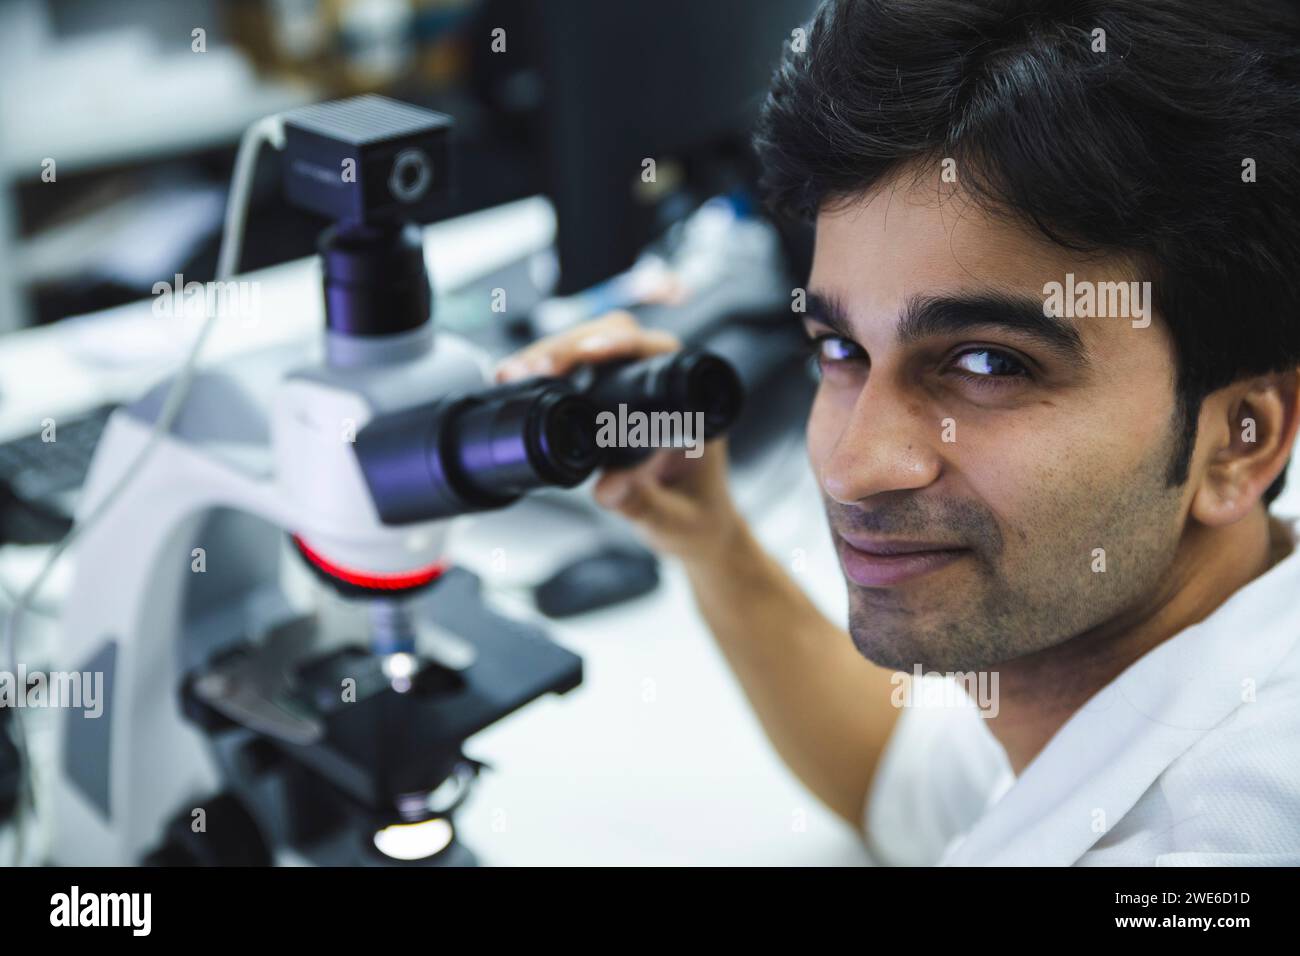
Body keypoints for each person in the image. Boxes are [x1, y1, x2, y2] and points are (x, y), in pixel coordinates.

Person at [498, 0, 1300, 865]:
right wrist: (709, 536)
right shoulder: (1119, 669)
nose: (851, 468)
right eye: (841, 349)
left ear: (1241, 437)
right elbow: (911, 791)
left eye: (990, 364)